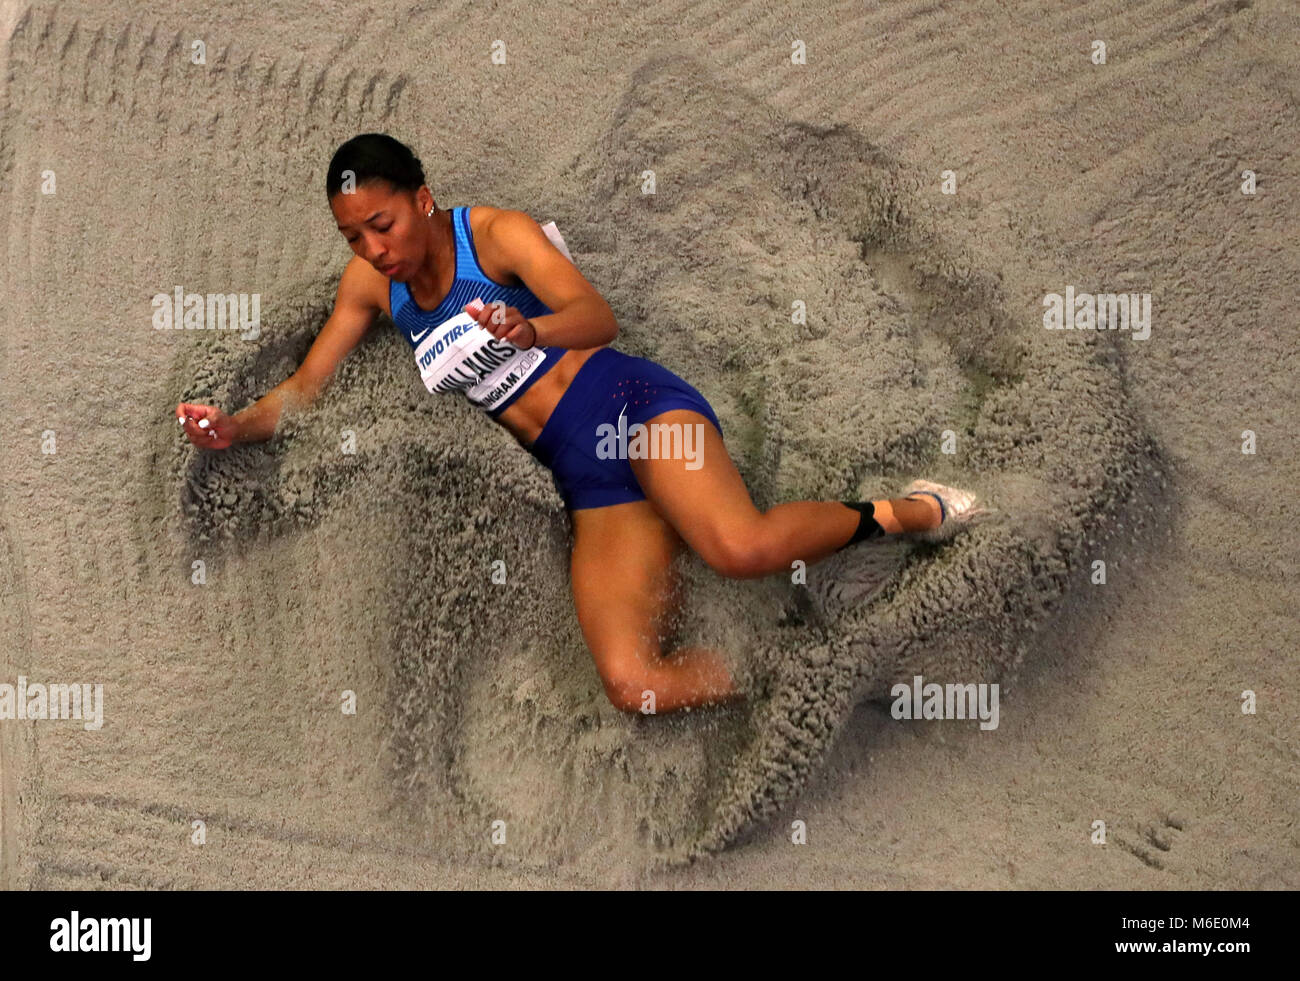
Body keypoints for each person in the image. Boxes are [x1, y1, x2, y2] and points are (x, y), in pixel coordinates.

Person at [176, 133, 987, 716]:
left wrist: (531, 331)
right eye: (352, 235)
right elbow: (306, 390)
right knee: (635, 686)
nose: (372, 247)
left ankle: (907, 510)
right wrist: (232, 426)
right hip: (587, 480)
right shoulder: (369, 290)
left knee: (738, 548)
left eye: (381, 224)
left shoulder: (495, 237)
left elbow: (597, 314)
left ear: (421, 199)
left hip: (633, 408)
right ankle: (804, 671)